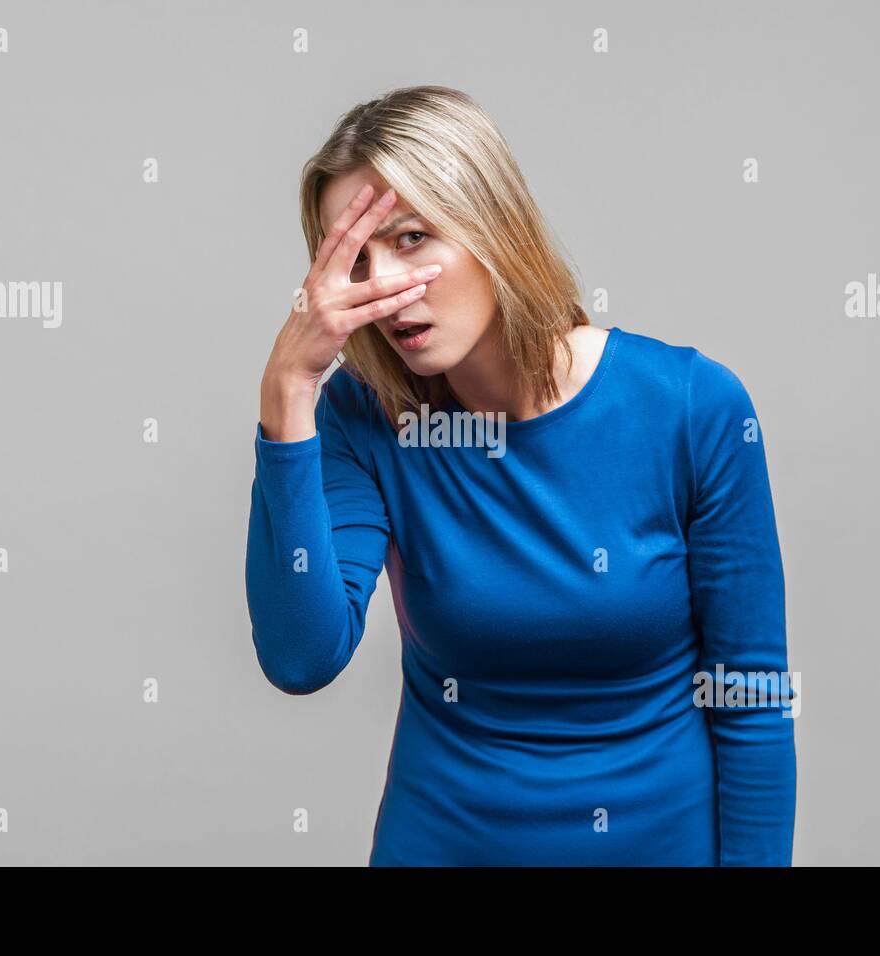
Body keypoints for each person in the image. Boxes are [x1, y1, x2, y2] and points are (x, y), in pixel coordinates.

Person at [246, 85, 796, 865]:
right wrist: (288, 393)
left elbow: (753, 699)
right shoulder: (364, 418)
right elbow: (302, 656)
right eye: (356, 260)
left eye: (411, 238)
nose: (385, 286)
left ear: (493, 230)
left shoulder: (690, 408)